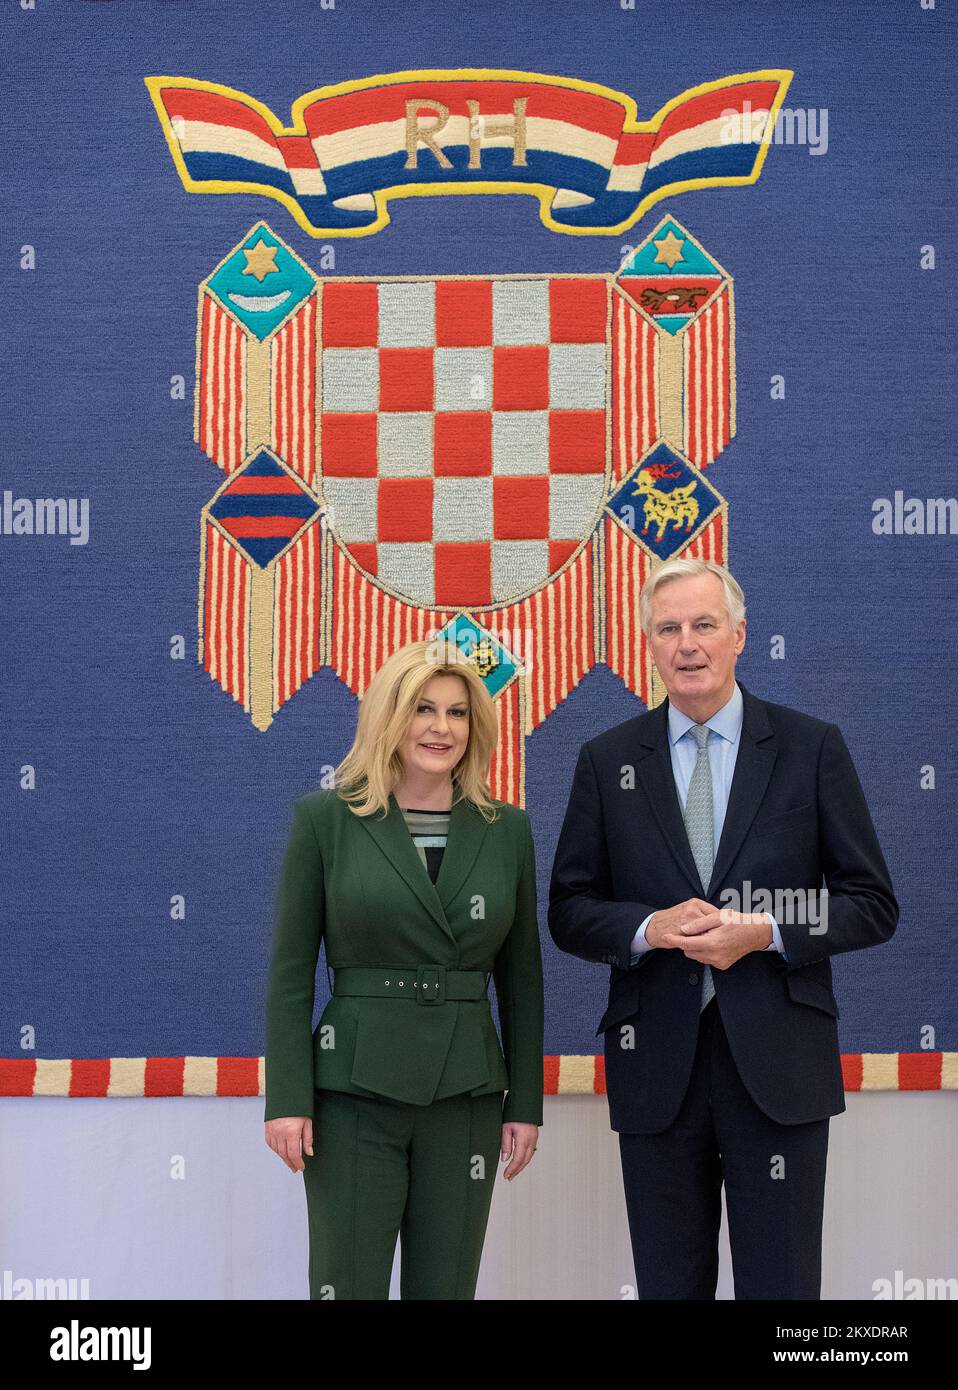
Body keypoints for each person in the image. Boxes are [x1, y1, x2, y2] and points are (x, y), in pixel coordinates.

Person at [548, 558, 898, 1300]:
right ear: (647, 645)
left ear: (740, 636)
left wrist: (767, 930)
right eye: (668, 628)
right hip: (657, 1073)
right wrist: (648, 926)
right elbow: (571, 909)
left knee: (784, 1288)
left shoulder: (811, 749)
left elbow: (870, 901)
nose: (688, 644)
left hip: (779, 1067)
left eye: (705, 625)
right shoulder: (608, 762)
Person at [264, 638, 543, 1300]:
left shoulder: (507, 829)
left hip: (466, 1093)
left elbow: (523, 978)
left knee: (446, 1288)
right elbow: (289, 974)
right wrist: (287, 1099)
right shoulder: (324, 821)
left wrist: (524, 1103)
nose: (440, 728)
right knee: (347, 1285)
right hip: (354, 1091)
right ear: (389, 715)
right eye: (422, 708)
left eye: (456, 712)